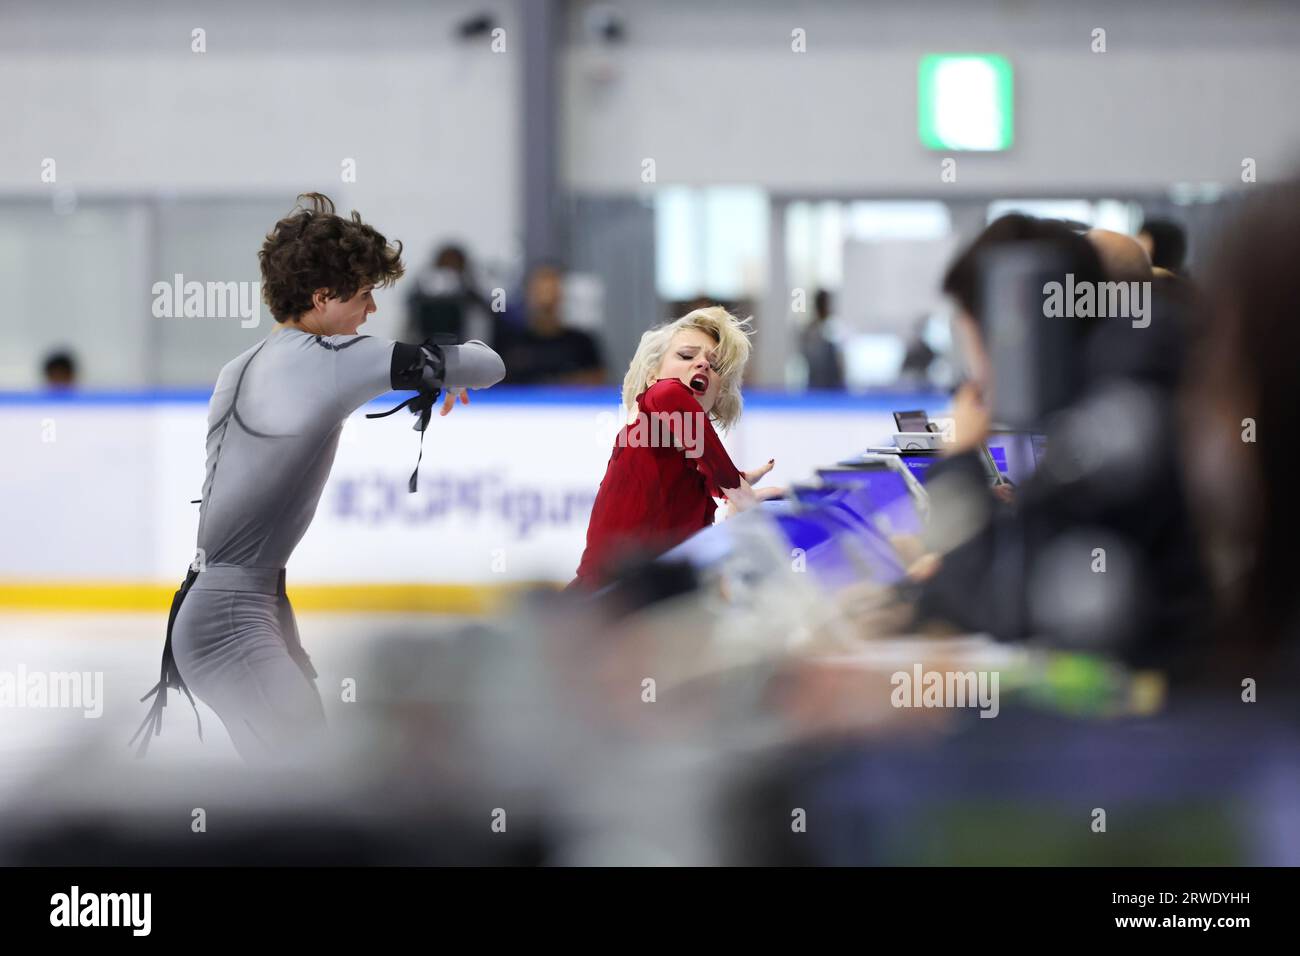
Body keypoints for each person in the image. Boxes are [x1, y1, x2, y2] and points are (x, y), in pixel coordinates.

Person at [132, 193, 505, 760]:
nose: (372, 311)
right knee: (304, 792)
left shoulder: (244, 363)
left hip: (227, 604)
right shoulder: (334, 358)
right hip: (231, 618)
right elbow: (487, 364)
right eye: (363, 295)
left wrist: (430, 373)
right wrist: (438, 373)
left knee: (297, 793)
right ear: (322, 296)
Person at [910, 214, 1208, 669]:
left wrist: (958, 461)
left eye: (970, 335)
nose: (976, 369)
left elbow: (1006, 606)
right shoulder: (1119, 388)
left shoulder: (1119, 419)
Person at [572, 306, 778, 589]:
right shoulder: (657, 400)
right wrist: (738, 490)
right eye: (686, 356)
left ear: (719, 394)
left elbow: (685, 563)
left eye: (714, 365)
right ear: (652, 377)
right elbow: (672, 399)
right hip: (600, 609)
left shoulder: (699, 475)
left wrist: (733, 509)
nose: (703, 364)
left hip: (647, 610)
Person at [497, 263, 605, 384]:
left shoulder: (581, 344)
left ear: (561, 296)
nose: (546, 300)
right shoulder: (510, 343)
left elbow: (598, 380)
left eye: (551, 292)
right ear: (529, 295)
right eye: (540, 292)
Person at [404, 243, 495, 345]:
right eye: (446, 262)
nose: (449, 267)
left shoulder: (472, 288)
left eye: (454, 263)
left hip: (465, 344)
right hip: (423, 344)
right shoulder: (421, 285)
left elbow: (489, 310)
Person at [801, 289, 845, 390]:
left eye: (825, 304)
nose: (823, 307)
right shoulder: (810, 330)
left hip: (833, 384)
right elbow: (805, 356)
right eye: (820, 304)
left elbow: (840, 359)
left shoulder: (835, 326)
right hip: (815, 383)